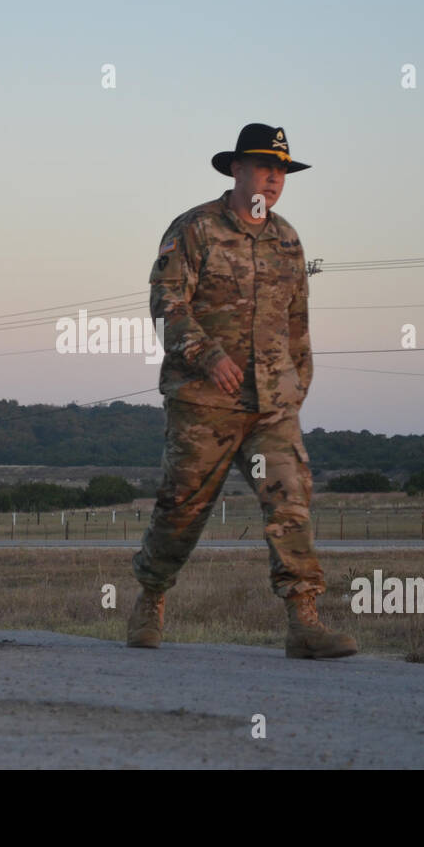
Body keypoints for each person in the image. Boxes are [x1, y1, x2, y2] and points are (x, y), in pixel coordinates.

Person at [128, 123, 358, 660]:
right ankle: (151, 596)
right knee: (181, 510)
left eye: (281, 169)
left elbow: (298, 320)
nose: (273, 177)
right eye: (262, 166)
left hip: (271, 407)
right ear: (236, 169)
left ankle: (304, 621)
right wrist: (205, 354)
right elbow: (165, 306)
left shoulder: (288, 239)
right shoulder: (195, 230)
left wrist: (297, 384)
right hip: (204, 403)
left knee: (291, 504)